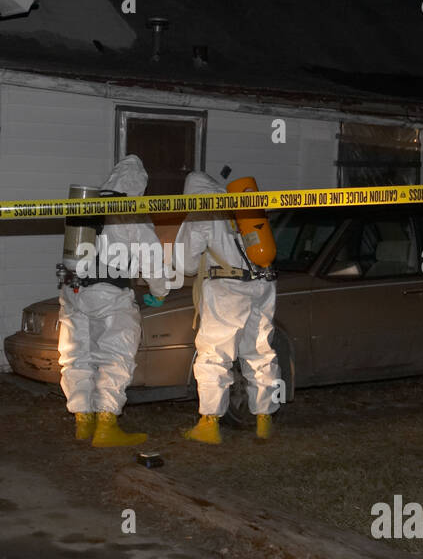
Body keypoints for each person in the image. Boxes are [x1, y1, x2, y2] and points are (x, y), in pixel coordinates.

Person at [58, 154, 170, 447]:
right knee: (115, 357)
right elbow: (153, 259)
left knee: (77, 356)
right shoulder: (133, 211)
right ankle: (106, 427)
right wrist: (159, 293)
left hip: (74, 291)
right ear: (139, 185)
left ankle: (83, 422)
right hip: (111, 293)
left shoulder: (87, 205)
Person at [175, 170, 280, 444]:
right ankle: (263, 420)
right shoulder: (240, 205)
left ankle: (209, 424)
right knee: (260, 352)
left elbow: (185, 263)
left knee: (214, 357)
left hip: (227, 290)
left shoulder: (201, 211)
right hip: (263, 284)